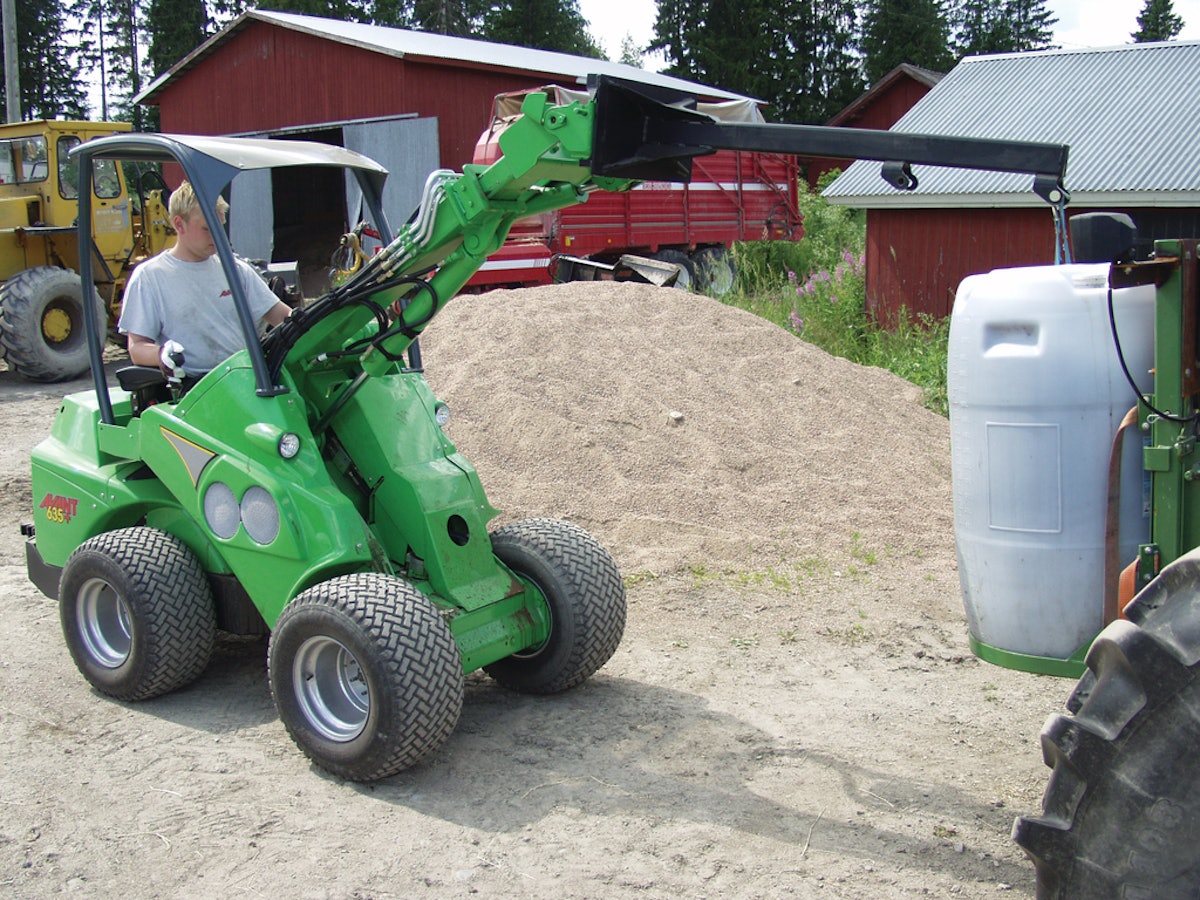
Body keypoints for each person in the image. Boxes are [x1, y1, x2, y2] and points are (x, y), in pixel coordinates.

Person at [119, 180, 291, 379]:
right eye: (207, 228)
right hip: (193, 387)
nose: (217, 235)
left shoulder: (236, 270)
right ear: (179, 224)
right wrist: (161, 354)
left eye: (220, 226)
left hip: (245, 379)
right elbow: (137, 347)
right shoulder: (150, 277)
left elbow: (283, 317)